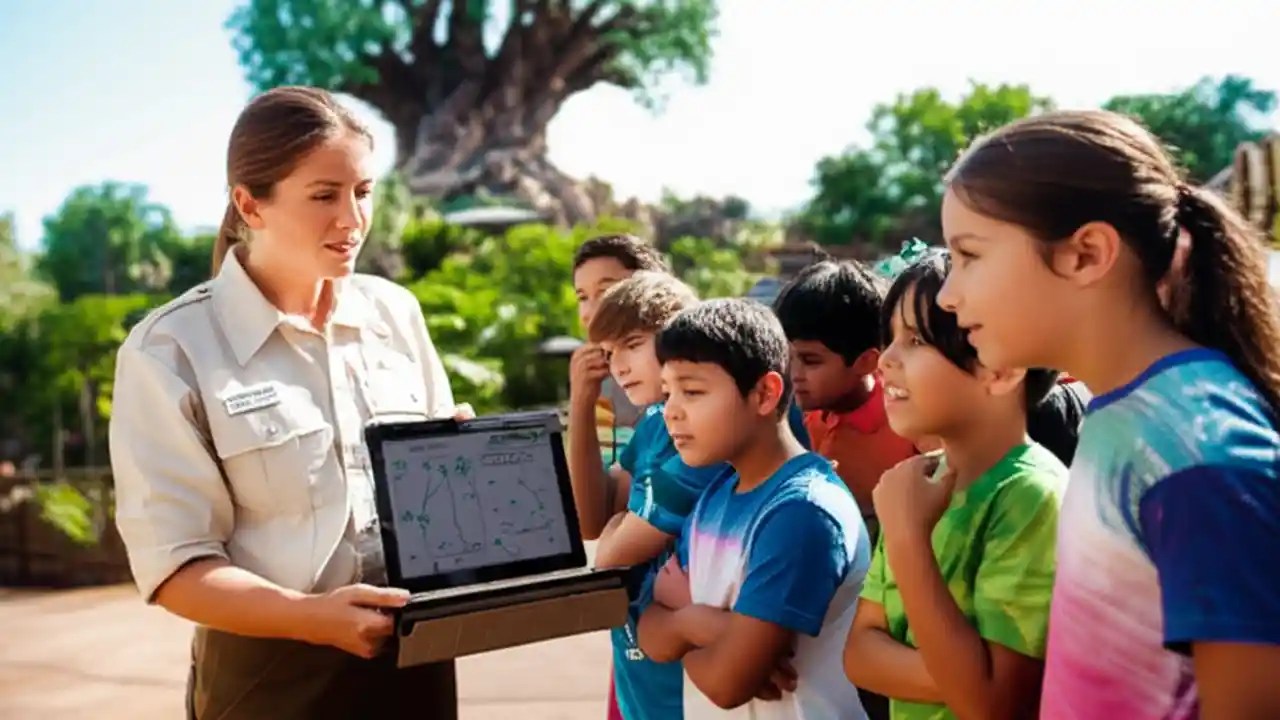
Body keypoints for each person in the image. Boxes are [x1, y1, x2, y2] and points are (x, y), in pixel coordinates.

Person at [108, 86, 466, 719]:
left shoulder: (395, 314)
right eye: (324, 195)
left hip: (417, 661)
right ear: (251, 203)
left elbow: (437, 511)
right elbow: (175, 565)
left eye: (362, 192)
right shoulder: (170, 349)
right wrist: (311, 618)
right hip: (269, 677)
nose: (352, 220)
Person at [937, 109, 1280, 719]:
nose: (947, 294)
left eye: (969, 255)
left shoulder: (1197, 449)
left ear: (1086, 253)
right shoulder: (1122, 412)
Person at [843, 251, 1067, 720]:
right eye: (890, 339)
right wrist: (961, 673)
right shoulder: (916, 483)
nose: (884, 360)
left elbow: (989, 703)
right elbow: (859, 655)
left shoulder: (1030, 494)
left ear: (1001, 368)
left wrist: (907, 537)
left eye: (916, 340)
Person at [637, 299, 869, 719]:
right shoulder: (718, 494)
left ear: (765, 394)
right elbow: (649, 633)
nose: (670, 410)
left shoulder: (802, 512)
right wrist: (700, 626)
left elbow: (728, 684)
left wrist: (688, 630)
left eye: (692, 391)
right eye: (668, 391)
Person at [588, 270, 704, 720]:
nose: (617, 365)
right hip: (637, 655)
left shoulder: (687, 433)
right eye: (609, 352)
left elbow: (610, 555)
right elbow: (600, 513)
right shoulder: (652, 425)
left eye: (632, 344)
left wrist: (620, 526)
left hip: (680, 673)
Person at [772, 260, 918, 541]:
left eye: (810, 361)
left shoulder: (907, 426)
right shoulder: (809, 415)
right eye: (787, 357)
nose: (793, 374)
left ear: (866, 362)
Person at [568, 234, 670, 542]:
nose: (591, 311)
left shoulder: (677, 400)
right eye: (582, 297)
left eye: (607, 290)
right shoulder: (605, 387)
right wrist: (581, 403)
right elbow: (592, 523)